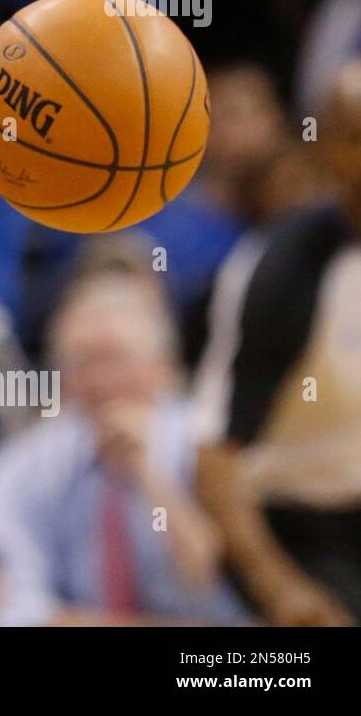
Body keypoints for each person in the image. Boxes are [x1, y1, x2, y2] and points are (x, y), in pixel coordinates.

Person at [0, 271, 248, 626]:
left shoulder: (210, 444)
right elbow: (11, 603)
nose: (101, 381)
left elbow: (214, 579)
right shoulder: (27, 464)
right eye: (83, 363)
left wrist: (148, 475)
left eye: (115, 358)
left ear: (161, 367)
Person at [194, 59, 361, 626]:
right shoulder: (282, 273)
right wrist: (280, 588)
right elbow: (214, 461)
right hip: (300, 527)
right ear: (327, 150)